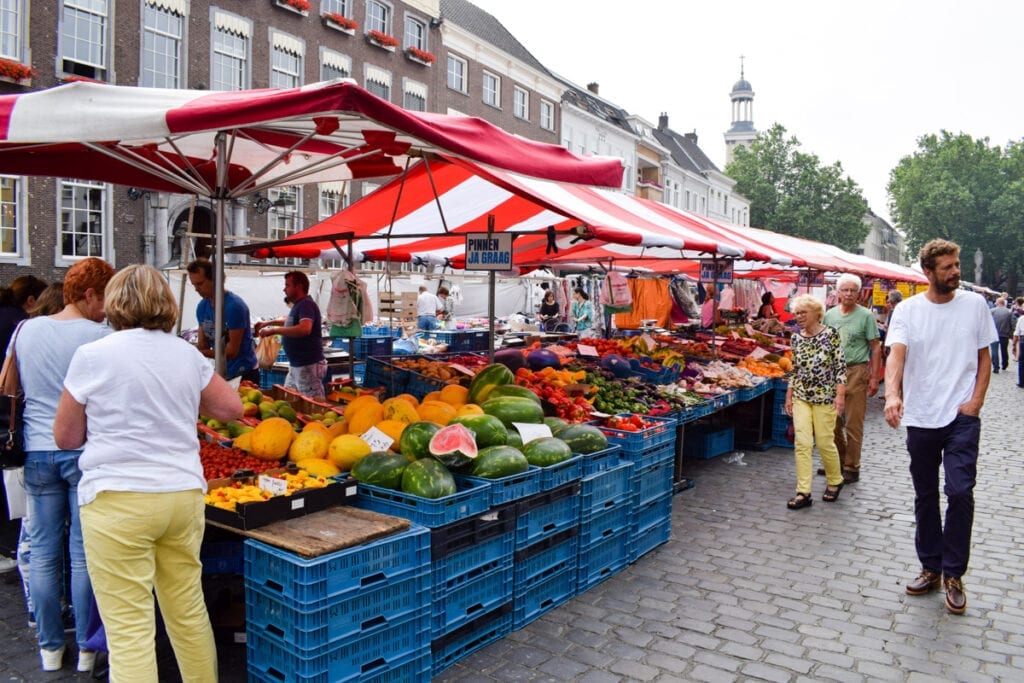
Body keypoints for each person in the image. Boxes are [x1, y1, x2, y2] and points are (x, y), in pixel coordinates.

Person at [53, 264, 242, 681]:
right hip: (180, 496)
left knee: (129, 627)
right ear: (167, 304)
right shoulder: (185, 353)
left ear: (115, 302)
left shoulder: (93, 355)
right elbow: (232, 408)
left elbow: (66, 437)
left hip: (117, 501)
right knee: (187, 610)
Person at [884, 239, 996, 616]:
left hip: (962, 415)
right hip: (922, 416)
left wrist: (975, 403)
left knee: (960, 491)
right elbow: (895, 354)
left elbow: (985, 359)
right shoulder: (907, 310)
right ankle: (931, 566)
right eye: (947, 267)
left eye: (957, 264)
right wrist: (892, 395)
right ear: (928, 272)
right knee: (925, 495)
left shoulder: (975, 305)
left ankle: (954, 573)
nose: (956, 272)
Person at [16, 258, 115, 672]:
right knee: (82, 555)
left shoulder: (27, 329)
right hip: (83, 450)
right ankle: (88, 651)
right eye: (105, 297)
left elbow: (12, 383)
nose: (108, 308)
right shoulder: (101, 336)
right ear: (90, 294)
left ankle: (50, 648)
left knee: (42, 554)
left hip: (37, 451)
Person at [783, 295, 846, 509]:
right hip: (802, 395)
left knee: (824, 441)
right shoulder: (796, 338)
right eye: (797, 313)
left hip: (825, 396)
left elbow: (840, 367)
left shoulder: (831, 335)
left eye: (803, 313)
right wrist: (789, 394)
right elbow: (795, 368)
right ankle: (803, 492)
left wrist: (840, 395)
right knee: (802, 442)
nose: (799, 317)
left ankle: (835, 480)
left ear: (816, 314)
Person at [822, 273, 881, 484]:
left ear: (858, 293)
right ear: (837, 292)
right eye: (844, 290)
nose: (848, 294)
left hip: (856, 371)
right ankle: (837, 459)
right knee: (831, 421)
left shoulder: (866, 316)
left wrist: (874, 377)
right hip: (832, 373)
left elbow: (875, 347)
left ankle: (852, 467)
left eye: (852, 290)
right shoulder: (829, 315)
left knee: (854, 423)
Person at [186, 258, 259, 383]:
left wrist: (198, 352)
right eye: (194, 285)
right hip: (222, 371)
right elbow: (203, 344)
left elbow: (231, 352)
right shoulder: (202, 307)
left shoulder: (234, 307)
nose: (196, 289)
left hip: (244, 373)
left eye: (200, 284)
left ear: (215, 281)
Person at [255, 271, 327, 399]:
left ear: (298, 287)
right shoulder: (300, 305)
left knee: (313, 403)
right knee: (288, 399)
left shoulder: (306, 304)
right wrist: (268, 323)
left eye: (287, 285)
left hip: (307, 365)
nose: (284, 289)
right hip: (297, 365)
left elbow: (305, 328)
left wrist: (274, 331)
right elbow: (290, 322)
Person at [988, 297, 1012, 373]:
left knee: (994, 350)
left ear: (997, 303)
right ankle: (1004, 364)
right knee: (1004, 350)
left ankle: (996, 367)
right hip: (1004, 333)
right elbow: (1011, 323)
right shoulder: (1008, 312)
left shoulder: (992, 311)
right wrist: (1011, 333)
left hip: (994, 333)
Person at [1013, 308, 1024, 388]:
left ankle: (1021, 381)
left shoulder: (1021, 319)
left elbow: (1017, 333)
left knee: (1022, 361)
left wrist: (1014, 344)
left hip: (1023, 340)